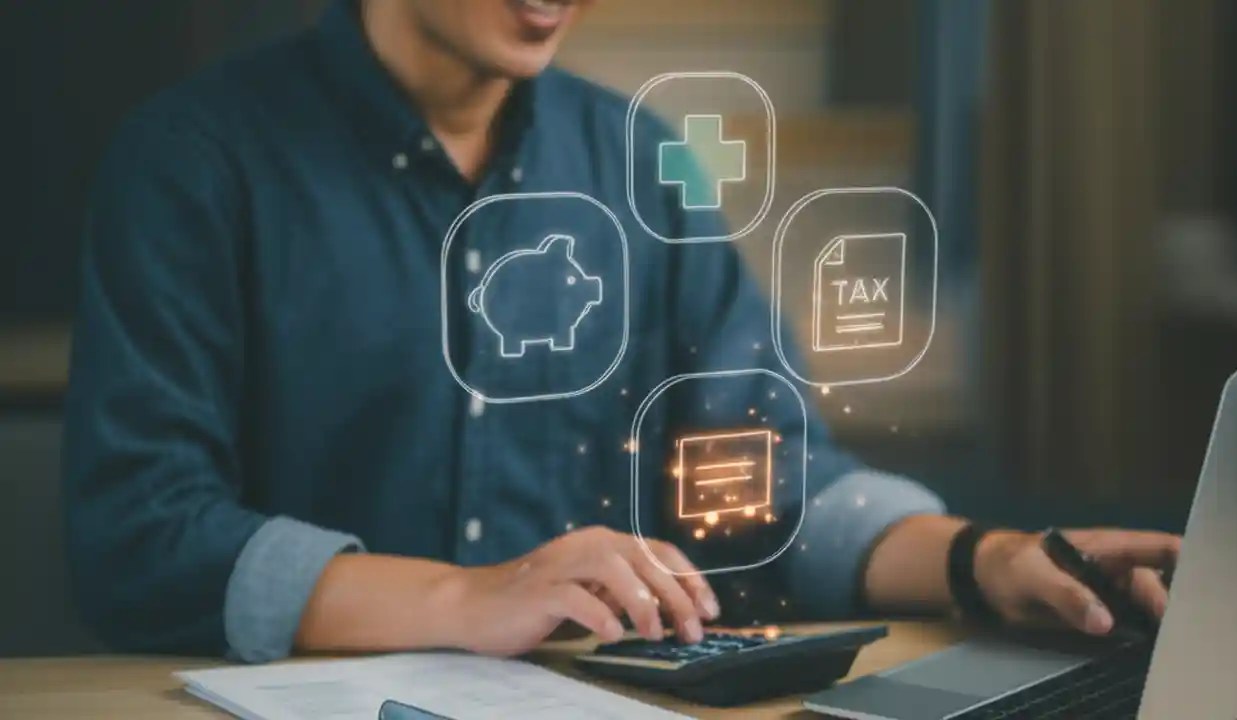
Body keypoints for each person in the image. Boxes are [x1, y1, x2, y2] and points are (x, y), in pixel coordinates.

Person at [63, 0, 1179, 663]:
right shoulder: (194, 162)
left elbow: (765, 494)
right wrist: (468, 597)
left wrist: (988, 563)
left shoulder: (638, 162)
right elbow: (142, 540)